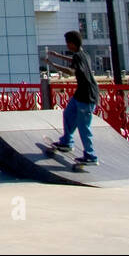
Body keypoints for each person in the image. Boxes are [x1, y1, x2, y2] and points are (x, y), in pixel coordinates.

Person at [48, 31, 100, 166]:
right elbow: (73, 61)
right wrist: (58, 56)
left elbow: (71, 72)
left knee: (83, 126)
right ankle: (66, 141)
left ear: (71, 43)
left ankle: (90, 155)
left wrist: (52, 64)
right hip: (80, 94)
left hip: (87, 96)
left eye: (67, 43)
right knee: (68, 113)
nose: (67, 46)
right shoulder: (83, 54)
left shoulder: (78, 56)